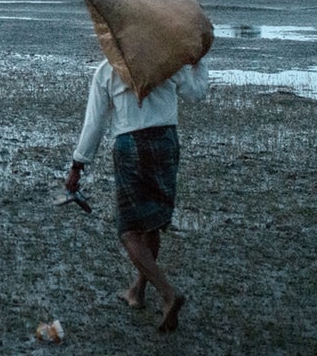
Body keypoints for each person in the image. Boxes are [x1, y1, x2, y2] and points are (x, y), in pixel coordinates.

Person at [64, 54, 210, 334]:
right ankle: (137, 291)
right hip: (166, 142)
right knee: (152, 223)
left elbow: (94, 123)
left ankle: (168, 293)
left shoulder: (107, 70)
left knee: (129, 230)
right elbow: (197, 92)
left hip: (131, 145)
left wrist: (77, 165)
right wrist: (198, 63)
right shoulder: (167, 61)